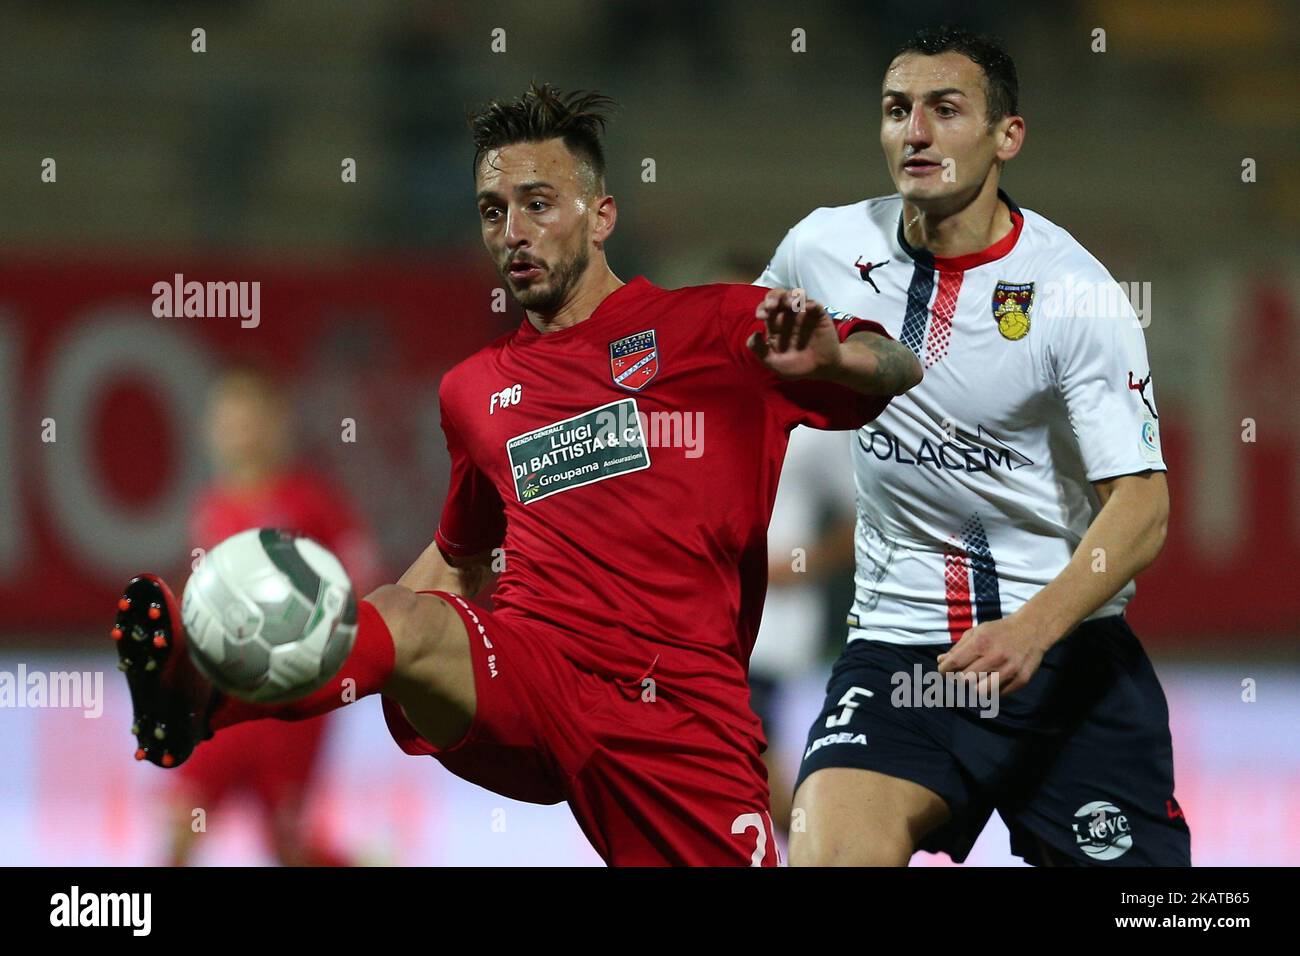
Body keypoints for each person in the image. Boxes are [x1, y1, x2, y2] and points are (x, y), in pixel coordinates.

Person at [110, 83, 922, 866]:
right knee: (410, 616)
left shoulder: (715, 325)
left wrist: (836, 358)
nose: (512, 232)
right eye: (493, 212)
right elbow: (458, 559)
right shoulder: (473, 390)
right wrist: (375, 626)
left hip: (678, 717)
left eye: (539, 202)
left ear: (603, 214)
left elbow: (899, 365)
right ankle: (202, 696)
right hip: (533, 671)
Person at [757, 25, 1190, 866]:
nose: (914, 132)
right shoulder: (820, 249)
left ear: (1007, 136)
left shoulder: (1076, 293)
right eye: (896, 110)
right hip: (897, 658)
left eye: (945, 109)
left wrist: (1033, 629)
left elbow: (1143, 508)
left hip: (1065, 660)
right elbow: (718, 371)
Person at [167, 366, 380, 866]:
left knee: (286, 845)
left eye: (246, 420)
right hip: (223, 705)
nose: (235, 433)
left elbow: (361, 582)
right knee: (180, 828)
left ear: (276, 425)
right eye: (225, 421)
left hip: (290, 707)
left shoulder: (311, 504)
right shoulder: (210, 508)